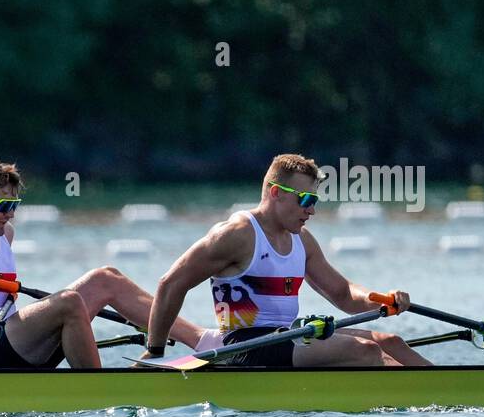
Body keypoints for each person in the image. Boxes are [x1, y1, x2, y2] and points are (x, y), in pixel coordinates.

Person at [0, 158, 205, 377]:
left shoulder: (4, 233)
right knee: (67, 302)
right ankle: (99, 390)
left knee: (106, 278)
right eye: (3, 205)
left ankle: (203, 340)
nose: (10, 214)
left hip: (12, 343)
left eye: (15, 206)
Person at [142, 153, 430, 366]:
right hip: (245, 345)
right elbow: (170, 284)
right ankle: (424, 402)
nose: (312, 211)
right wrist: (154, 352)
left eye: (314, 201)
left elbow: (343, 293)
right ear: (276, 193)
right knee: (363, 350)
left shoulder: (301, 240)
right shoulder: (236, 235)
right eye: (305, 200)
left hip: (285, 338)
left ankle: (453, 396)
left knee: (391, 342)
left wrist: (382, 300)